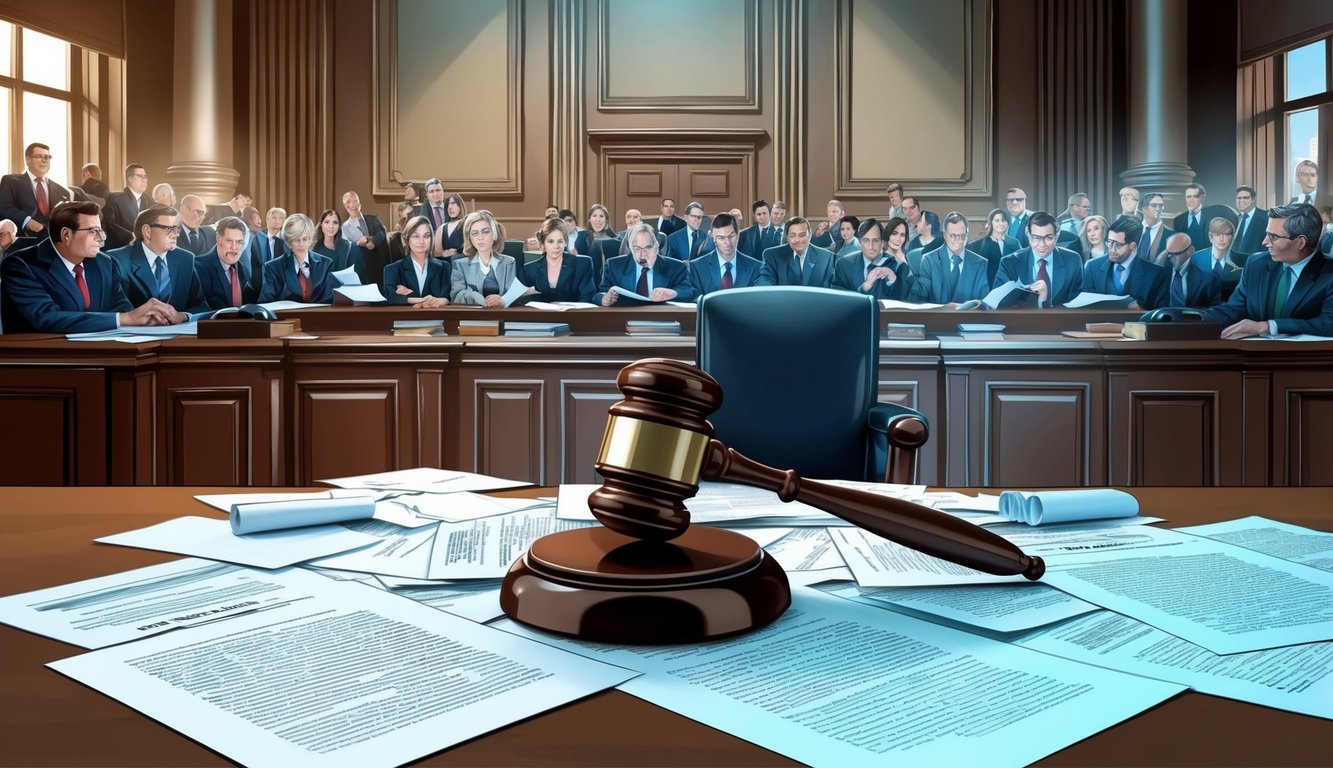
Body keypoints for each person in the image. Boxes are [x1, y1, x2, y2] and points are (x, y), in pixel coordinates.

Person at [1, 200, 177, 333]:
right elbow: (46, 317)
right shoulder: (20, 265)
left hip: (100, 356)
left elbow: (121, 307)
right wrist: (126, 318)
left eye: (100, 230)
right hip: (40, 361)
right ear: (66, 235)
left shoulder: (104, 263)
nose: (101, 238)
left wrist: (148, 318)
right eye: (93, 231)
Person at [1205, 203, 1333, 338]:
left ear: (1300, 242)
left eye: (1274, 237)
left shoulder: (1329, 274)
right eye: (1267, 234)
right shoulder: (1256, 264)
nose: (1265, 242)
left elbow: (1329, 324)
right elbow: (1233, 310)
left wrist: (1268, 326)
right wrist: (1196, 317)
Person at [105, 203, 210, 318]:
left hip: (179, 329)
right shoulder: (117, 260)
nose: (176, 234)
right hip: (137, 328)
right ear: (147, 231)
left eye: (177, 228)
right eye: (169, 229)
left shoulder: (186, 259)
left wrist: (182, 316)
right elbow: (115, 307)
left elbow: (201, 306)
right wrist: (147, 319)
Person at [994, 211, 1084, 307]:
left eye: (1048, 238)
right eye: (1035, 238)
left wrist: (1046, 303)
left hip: (1060, 317)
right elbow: (999, 304)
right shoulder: (1009, 263)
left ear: (1056, 237)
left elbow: (1078, 304)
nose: (1042, 244)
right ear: (1028, 235)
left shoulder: (1073, 260)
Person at [1082, 215, 1169, 310]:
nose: (1111, 249)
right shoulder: (1092, 267)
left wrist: (1143, 311)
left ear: (1133, 246)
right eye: (1109, 242)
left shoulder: (1157, 274)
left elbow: (1162, 314)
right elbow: (1085, 309)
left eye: (1117, 245)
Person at [597, 222, 692, 305]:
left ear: (656, 246)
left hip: (661, 317)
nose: (642, 255)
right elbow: (599, 293)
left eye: (648, 248)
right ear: (630, 248)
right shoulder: (614, 266)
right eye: (637, 249)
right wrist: (604, 298)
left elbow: (689, 292)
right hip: (625, 317)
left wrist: (673, 293)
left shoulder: (676, 266)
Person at [908, 212, 990, 304]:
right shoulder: (929, 260)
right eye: (953, 235)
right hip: (937, 313)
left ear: (967, 235)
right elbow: (918, 298)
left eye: (962, 235)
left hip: (969, 313)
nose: (958, 240)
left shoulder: (980, 263)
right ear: (944, 235)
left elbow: (984, 302)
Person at [258, 213, 336, 303]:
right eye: (297, 240)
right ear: (289, 242)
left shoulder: (326, 264)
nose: (301, 244)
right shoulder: (273, 267)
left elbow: (331, 299)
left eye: (305, 239)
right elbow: (265, 301)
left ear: (310, 240)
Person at [518, 217, 596, 303]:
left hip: (575, 312)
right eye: (550, 241)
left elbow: (588, 297)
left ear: (566, 242)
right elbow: (519, 301)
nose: (556, 246)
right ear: (543, 244)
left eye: (560, 241)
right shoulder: (529, 270)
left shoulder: (582, 265)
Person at [1, 143, 72, 237]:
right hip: (22, 239)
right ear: (28, 160)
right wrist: (27, 221)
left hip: (54, 241)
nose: (45, 160)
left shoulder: (62, 192)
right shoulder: (10, 181)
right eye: (39, 156)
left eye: (47, 157)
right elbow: (5, 208)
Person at [833, 218, 912, 300]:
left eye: (876, 240)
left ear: (882, 242)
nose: (871, 246)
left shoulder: (900, 267)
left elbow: (909, 300)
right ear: (859, 242)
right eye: (866, 240)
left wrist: (893, 280)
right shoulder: (843, 265)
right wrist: (864, 287)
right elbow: (838, 298)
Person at [451, 210, 518, 307]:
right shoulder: (459, 265)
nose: (480, 238)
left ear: (494, 234)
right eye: (475, 233)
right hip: (473, 315)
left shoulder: (509, 262)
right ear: (470, 238)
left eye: (485, 232)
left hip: (502, 313)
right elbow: (456, 296)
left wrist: (502, 300)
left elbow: (512, 294)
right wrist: (477, 298)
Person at [382, 215, 452, 308]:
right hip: (405, 316)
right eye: (415, 236)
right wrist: (421, 300)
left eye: (426, 236)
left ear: (431, 239)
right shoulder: (392, 269)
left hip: (436, 315)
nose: (421, 241)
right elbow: (389, 298)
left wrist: (411, 294)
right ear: (407, 239)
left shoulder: (444, 267)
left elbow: (447, 297)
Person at [194, 216, 261, 310]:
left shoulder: (242, 268)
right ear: (218, 239)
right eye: (229, 241)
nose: (234, 247)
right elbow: (205, 308)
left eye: (239, 242)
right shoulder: (199, 267)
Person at [688, 212, 761, 297]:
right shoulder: (696, 267)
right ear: (713, 238)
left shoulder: (755, 267)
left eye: (731, 236)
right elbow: (695, 299)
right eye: (721, 238)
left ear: (738, 235)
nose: (727, 242)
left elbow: (758, 299)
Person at [757, 216, 833, 287]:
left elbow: (835, 285)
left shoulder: (827, 258)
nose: (797, 240)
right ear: (787, 238)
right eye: (793, 236)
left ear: (809, 235)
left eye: (802, 235)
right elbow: (764, 280)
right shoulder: (772, 255)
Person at [1191, 216, 1247, 301]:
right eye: (1217, 234)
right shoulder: (1196, 258)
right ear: (1210, 237)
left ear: (1232, 237)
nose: (1222, 239)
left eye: (1226, 235)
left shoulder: (1243, 260)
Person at [1160, 232, 1220, 308]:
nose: (1171, 258)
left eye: (1176, 254)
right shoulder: (1159, 274)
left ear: (1190, 251)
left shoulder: (1208, 279)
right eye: (1169, 253)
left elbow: (1214, 310)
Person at [968, 207, 1020, 287]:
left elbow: (1021, 264)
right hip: (987, 287)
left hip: (1011, 287)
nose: (1001, 223)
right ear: (991, 223)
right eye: (997, 220)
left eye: (1003, 220)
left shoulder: (1014, 243)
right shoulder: (978, 245)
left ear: (1008, 222)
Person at [103, 164, 150, 249]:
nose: (144, 180)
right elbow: (109, 225)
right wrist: (131, 237)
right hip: (121, 248)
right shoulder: (115, 200)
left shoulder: (148, 202)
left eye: (145, 177)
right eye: (140, 176)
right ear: (130, 179)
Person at [312, 209, 366, 281]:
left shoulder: (352, 249)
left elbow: (361, 279)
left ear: (339, 226)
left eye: (335, 222)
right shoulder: (314, 250)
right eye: (327, 222)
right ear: (321, 224)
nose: (331, 226)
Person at [1233, 185, 1269, 256]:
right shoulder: (1236, 218)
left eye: (1245, 198)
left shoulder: (1266, 217)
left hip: (1256, 260)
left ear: (1253, 200)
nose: (1241, 201)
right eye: (1239, 198)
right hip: (1235, 260)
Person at [1138, 192, 1173, 264]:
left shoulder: (1171, 236)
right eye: (1154, 205)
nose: (1158, 209)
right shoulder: (1133, 230)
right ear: (1144, 208)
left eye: (1161, 205)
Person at [1174, 183, 1211, 251]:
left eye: (1195, 196)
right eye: (1188, 197)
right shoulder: (1178, 220)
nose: (1191, 200)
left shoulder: (1211, 218)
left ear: (1202, 198)